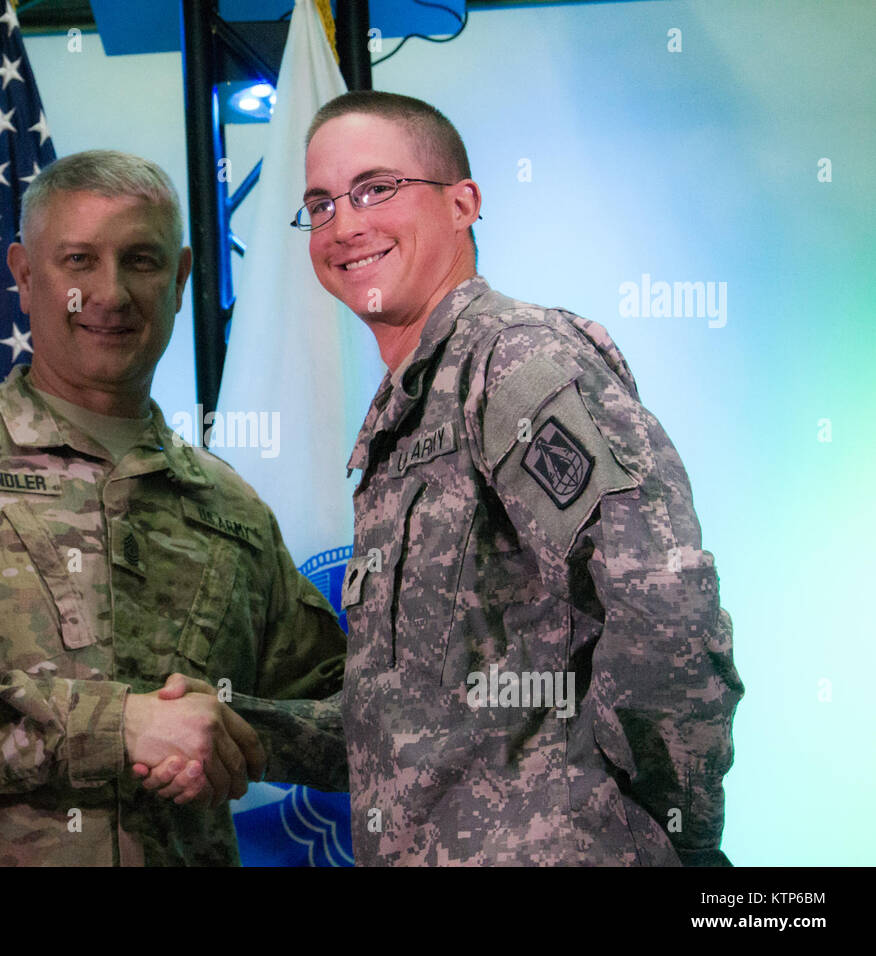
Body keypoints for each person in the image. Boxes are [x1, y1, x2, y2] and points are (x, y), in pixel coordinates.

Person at [0, 149, 347, 866]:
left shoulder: (227, 505)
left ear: (180, 279)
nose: (109, 294)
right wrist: (119, 727)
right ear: (22, 274)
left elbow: (352, 718)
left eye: (140, 261)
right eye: (78, 261)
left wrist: (228, 732)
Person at [296, 91, 744, 865]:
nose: (345, 223)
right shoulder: (407, 407)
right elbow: (420, 722)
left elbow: (666, 606)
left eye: (375, 188)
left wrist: (673, 833)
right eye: (320, 203)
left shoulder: (512, 361)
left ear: (463, 202)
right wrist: (242, 731)